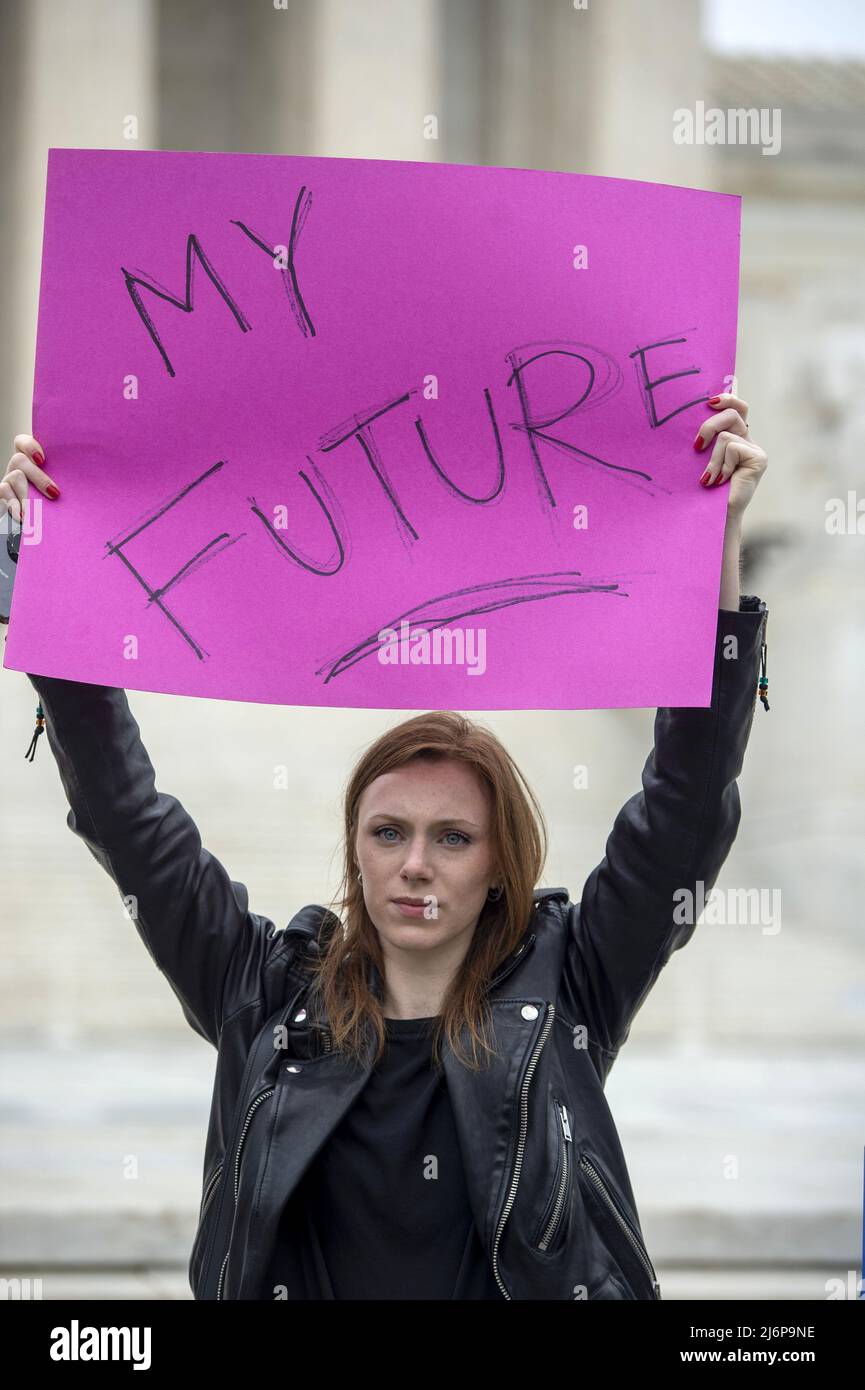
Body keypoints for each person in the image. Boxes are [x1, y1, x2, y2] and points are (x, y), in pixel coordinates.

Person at [1, 396, 769, 1299]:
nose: (415, 863)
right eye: (388, 832)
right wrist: (56, 581)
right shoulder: (263, 990)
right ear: (355, 853)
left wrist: (712, 542)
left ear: (499, 868)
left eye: (453, 837)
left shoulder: (569, 984)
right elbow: (128, 818)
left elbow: (684, 807)